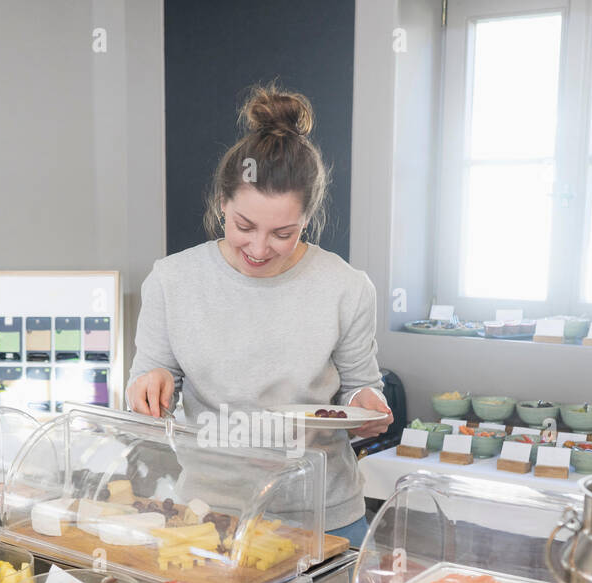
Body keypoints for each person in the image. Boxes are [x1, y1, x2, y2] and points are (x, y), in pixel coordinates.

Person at [126, 84, 392, 548]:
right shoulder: (172, 280)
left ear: (307, 219)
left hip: (323, 514)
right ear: (222, 203)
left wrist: (368, 403)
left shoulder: (346, 287)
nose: (259, 248)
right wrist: (149, 387)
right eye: (243, 226)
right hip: (209, 514)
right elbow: (150, 379)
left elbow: (360, 385)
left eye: (283, 233)